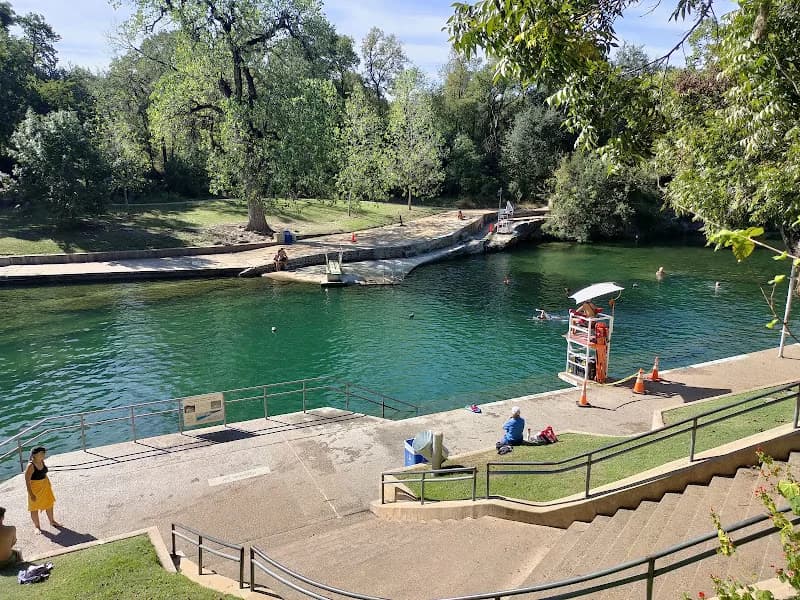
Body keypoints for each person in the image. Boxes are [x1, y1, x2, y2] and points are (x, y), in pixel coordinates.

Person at [25, 447, 60, 533]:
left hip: (45, 486)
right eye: (41, 454)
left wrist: (48, 483)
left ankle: (52, 521)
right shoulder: (30, 466)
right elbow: (27, 481)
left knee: (49, 503)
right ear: (34, 455)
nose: (43, 455)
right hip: (35, 488)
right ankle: (37, 527)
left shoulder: (41, 461)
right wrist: (31, 494)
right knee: (34, 507)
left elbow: (43, 473)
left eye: (43, 453)